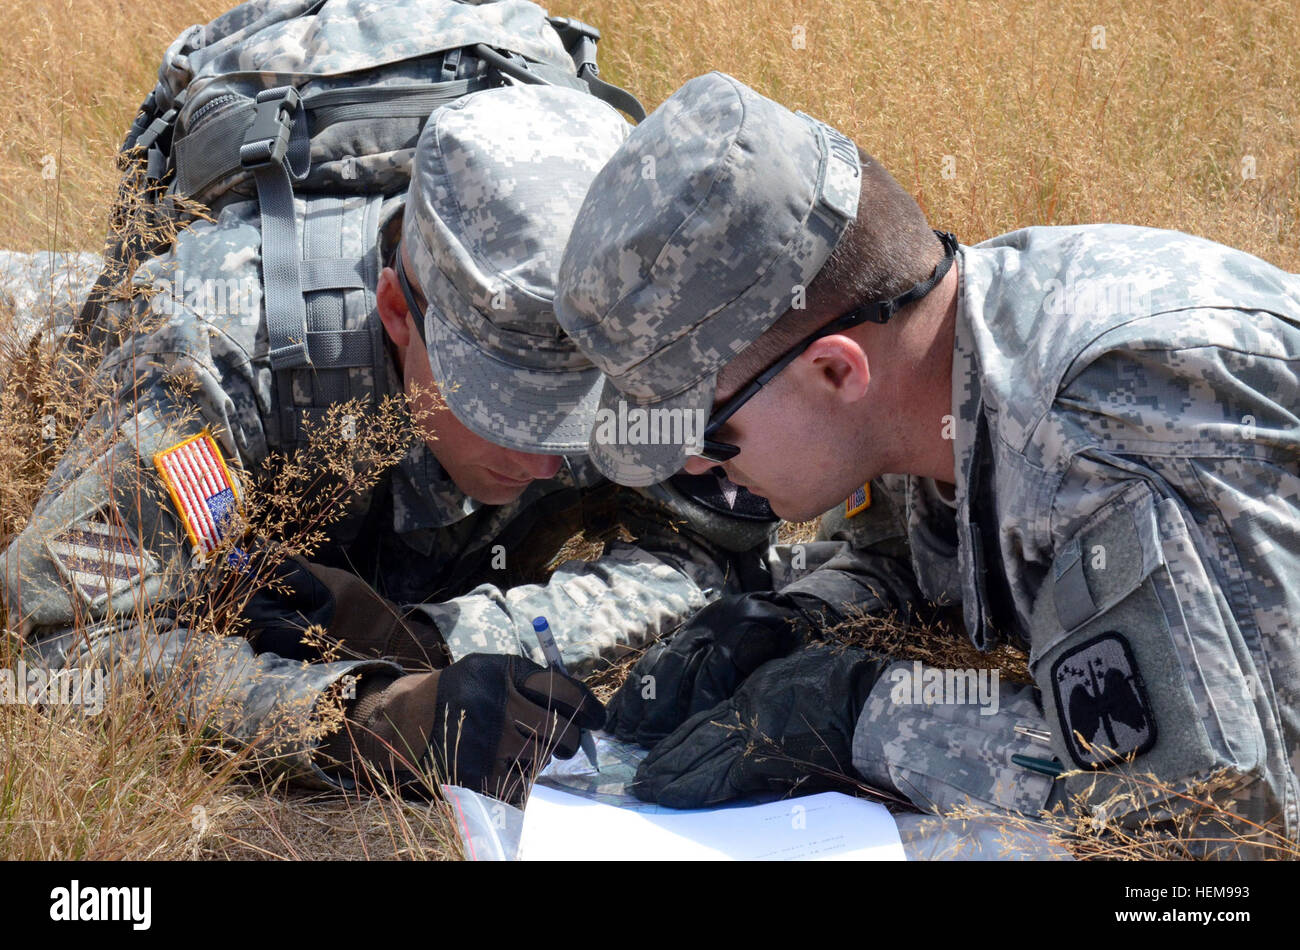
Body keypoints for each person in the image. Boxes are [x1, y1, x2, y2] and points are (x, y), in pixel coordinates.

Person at [552, 71, 1300, 854]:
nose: (699, 473)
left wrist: (866, 713)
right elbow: (926, 562)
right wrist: (797, 622)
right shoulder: (932, 361)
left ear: (837, 370)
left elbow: (1212, 833)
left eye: (705, 435)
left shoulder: (1116, 419)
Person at [0, 84, 776, 803]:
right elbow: (59, 650)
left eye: (583, 410)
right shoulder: (208, 355)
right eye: (507, 407)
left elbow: (712, 556)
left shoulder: (648, 325)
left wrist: (446, 637)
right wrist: (367, 715)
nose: (548, 461)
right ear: (399, 311)